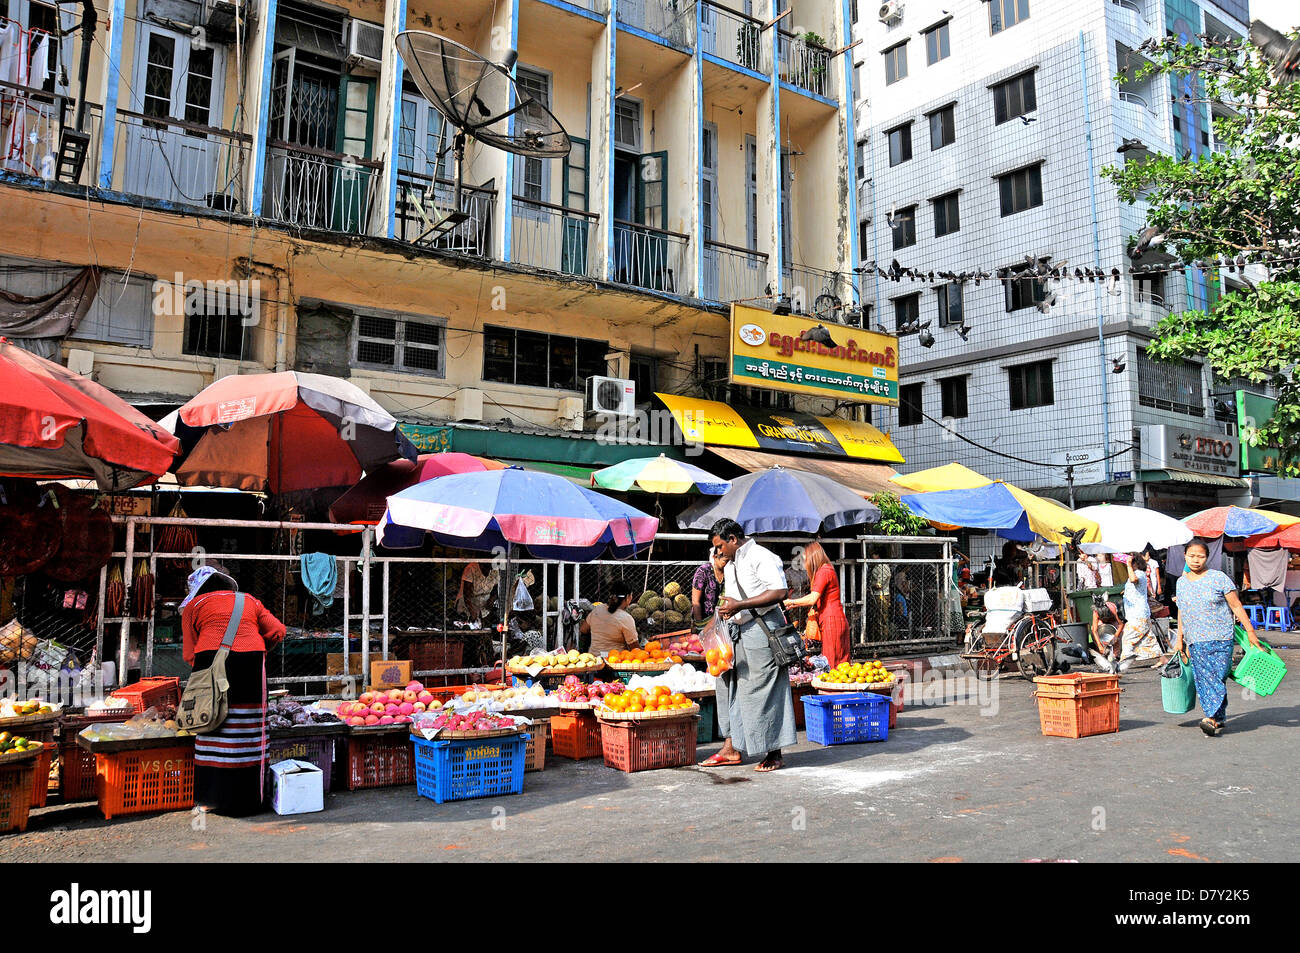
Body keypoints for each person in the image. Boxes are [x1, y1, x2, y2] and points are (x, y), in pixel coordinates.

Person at [181, 566, 286, 816]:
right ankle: (252, 800)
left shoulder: (193, 607)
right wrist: (257, 651)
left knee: (211, 723)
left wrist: (209, 670)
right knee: (249, 727)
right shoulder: (249, 600)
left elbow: (188, 654)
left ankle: (210, 800)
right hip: (251, 662)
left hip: (208, 660)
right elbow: (278, 631)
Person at [699, 518, 795, 773]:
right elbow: (731, 592)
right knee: (730, 686)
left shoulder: (761, 556)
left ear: (733, 539)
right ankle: (731, 747)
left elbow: (779, 591)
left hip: (762, 628)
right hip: (739, 629)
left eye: (719, 546)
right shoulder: (732, 562)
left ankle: (774, 752)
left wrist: (739, 606)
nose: (718, 551)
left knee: (763, 690)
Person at [1174, 538, 1262, 736]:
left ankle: (1217, 716)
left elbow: (1236, 605)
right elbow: (1182, 611)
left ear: (1207, 557)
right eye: (1192, 556)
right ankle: (1212, 717)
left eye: (1200, 556)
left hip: (1221, 638)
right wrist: (1179, 638)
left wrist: (1250, 632)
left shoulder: (1219, 578)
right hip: (1195, 640)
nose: (1196, 560)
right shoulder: (1181, 582)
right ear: (1185, 556)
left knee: (1218, 676)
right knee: (1206, 678)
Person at [783, 541, 850, 668]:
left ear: (813, 557)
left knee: (832, 662)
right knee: (840, 662)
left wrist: (791, 602)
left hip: (832, 619)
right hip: (831, 618)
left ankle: (831, 688)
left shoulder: (823, 571)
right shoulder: (826, 569)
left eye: (805, 559)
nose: (804, 563)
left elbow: (813, 598)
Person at [1118, 553, 1163, 670]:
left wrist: (1128, 564)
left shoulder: (1138, 574)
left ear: (1135, 563)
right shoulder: (1139, 574)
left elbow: (1134, 580)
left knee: (1128, 638)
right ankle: (1163, 659)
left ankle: (1122, 664)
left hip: (1137, 614)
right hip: (1140, 613)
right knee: (1149, 638)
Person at [582, 581, 640, 656]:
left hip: (594, 659)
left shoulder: (598, 609)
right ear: (628, 597)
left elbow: (583, 629)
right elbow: (635, 648)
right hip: (614, 661)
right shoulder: (626, 618)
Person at [691, 546, 729, 627]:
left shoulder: (729, 571)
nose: (727, 563)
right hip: (704, 619)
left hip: (721, 620)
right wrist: (699, 625)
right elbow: (695, 601)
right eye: (725, 561)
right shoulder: (704, 571)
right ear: (715, 557)